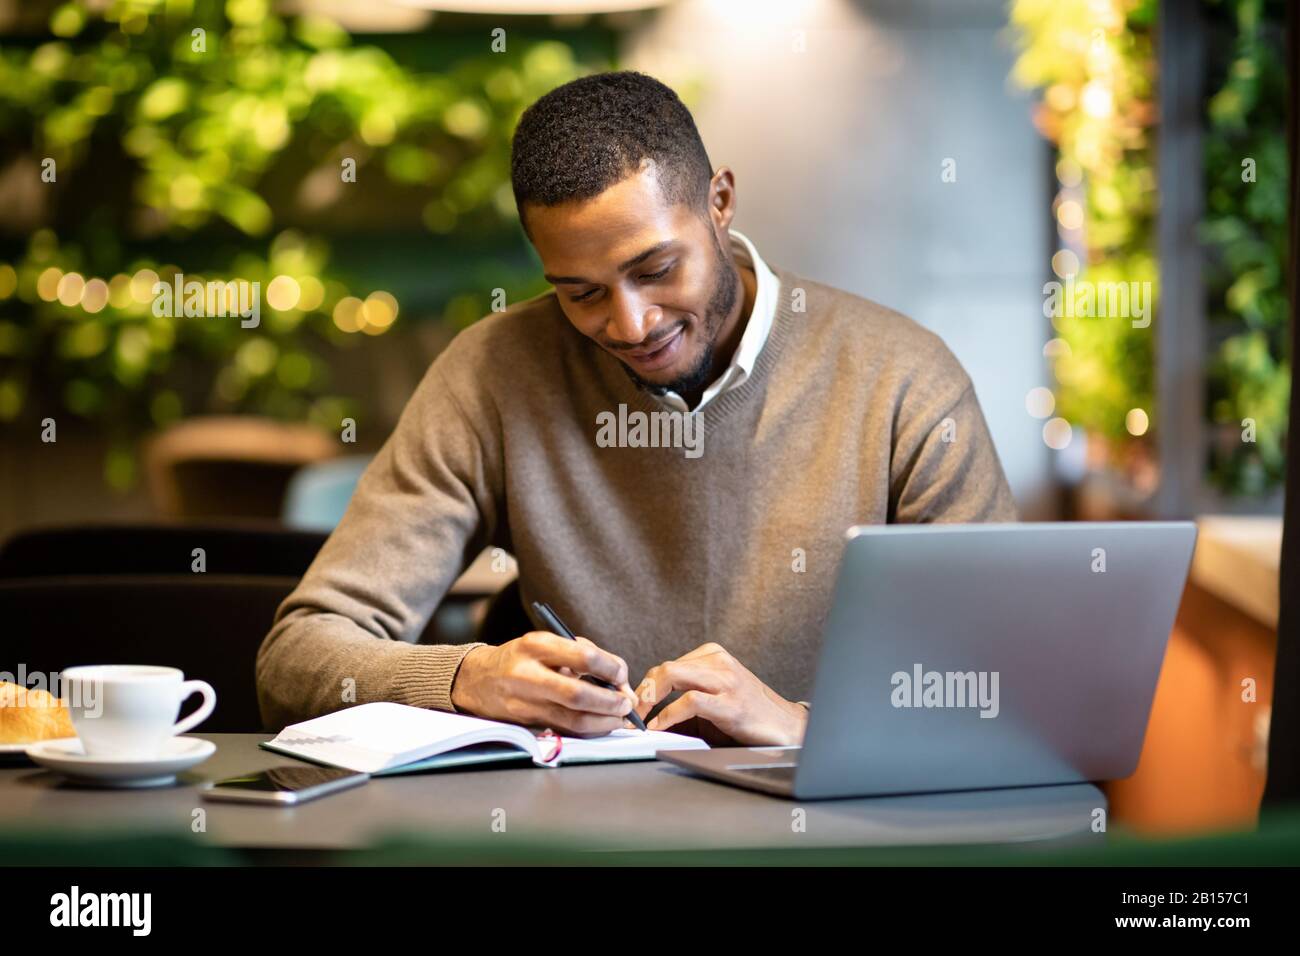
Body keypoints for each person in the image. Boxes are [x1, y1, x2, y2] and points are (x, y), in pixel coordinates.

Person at [256, 71, 1016, 746]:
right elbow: (297, 659)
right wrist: (466, 678)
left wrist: (799, 726)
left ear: (720, 201)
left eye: (655, 269)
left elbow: (1003, 679)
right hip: (582, 836)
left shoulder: (902, 376)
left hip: (833, 834)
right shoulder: (493, 373)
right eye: (579, 292)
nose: (630, 324)